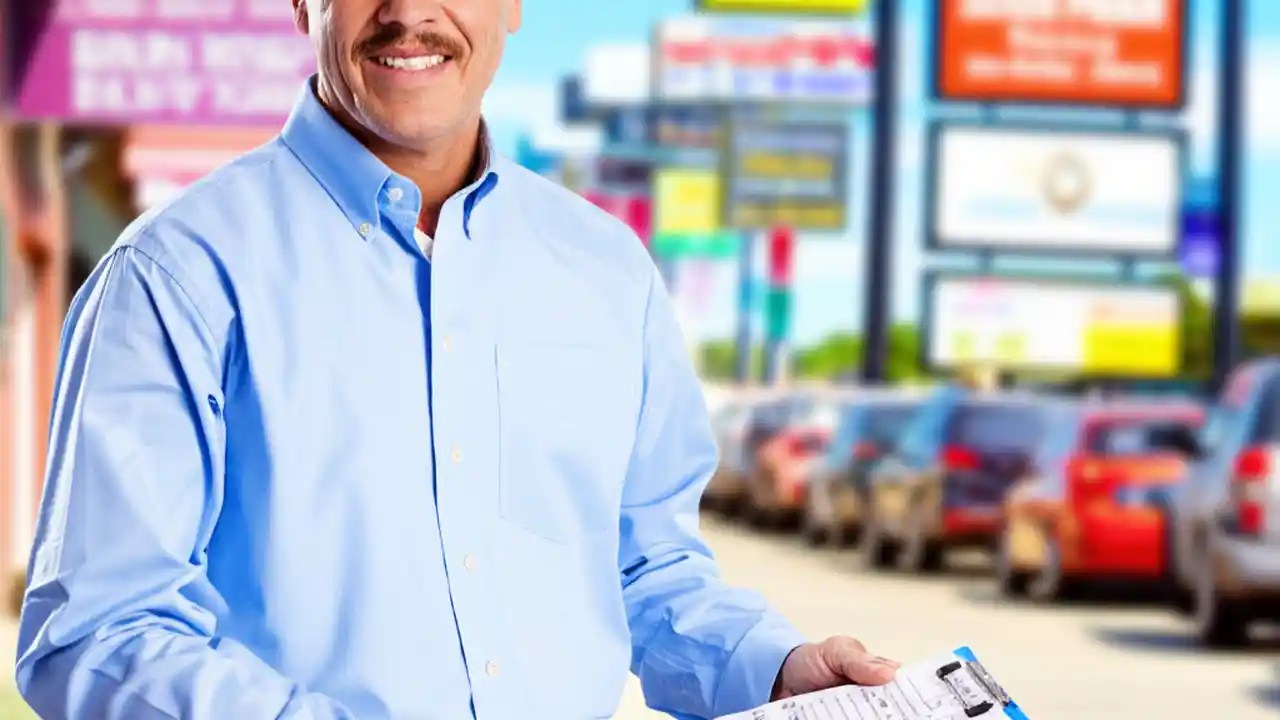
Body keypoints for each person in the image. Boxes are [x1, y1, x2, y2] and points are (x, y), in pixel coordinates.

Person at [15, 1, 899, 718]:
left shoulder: (604, 268)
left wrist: (778, 668)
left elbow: (646, 571)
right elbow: (98, 628)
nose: (409, 14)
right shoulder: (177, 274)